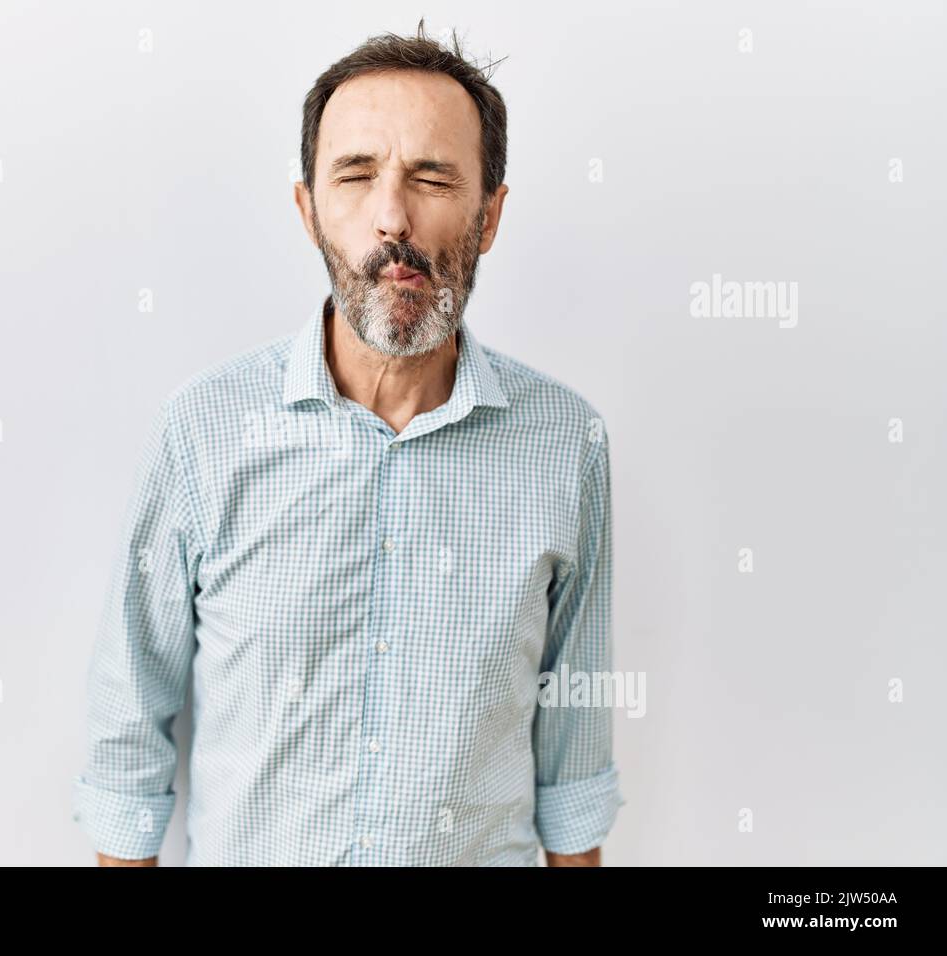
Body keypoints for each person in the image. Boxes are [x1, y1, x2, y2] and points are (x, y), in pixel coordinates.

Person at [73, 20, 623, 866]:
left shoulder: (566, 445)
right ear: (308, 208)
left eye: (434, 177)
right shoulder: (202, 433)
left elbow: (573, 764)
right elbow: (126, 738)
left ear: (490, 214)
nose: (392, 217)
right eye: (356, 175)